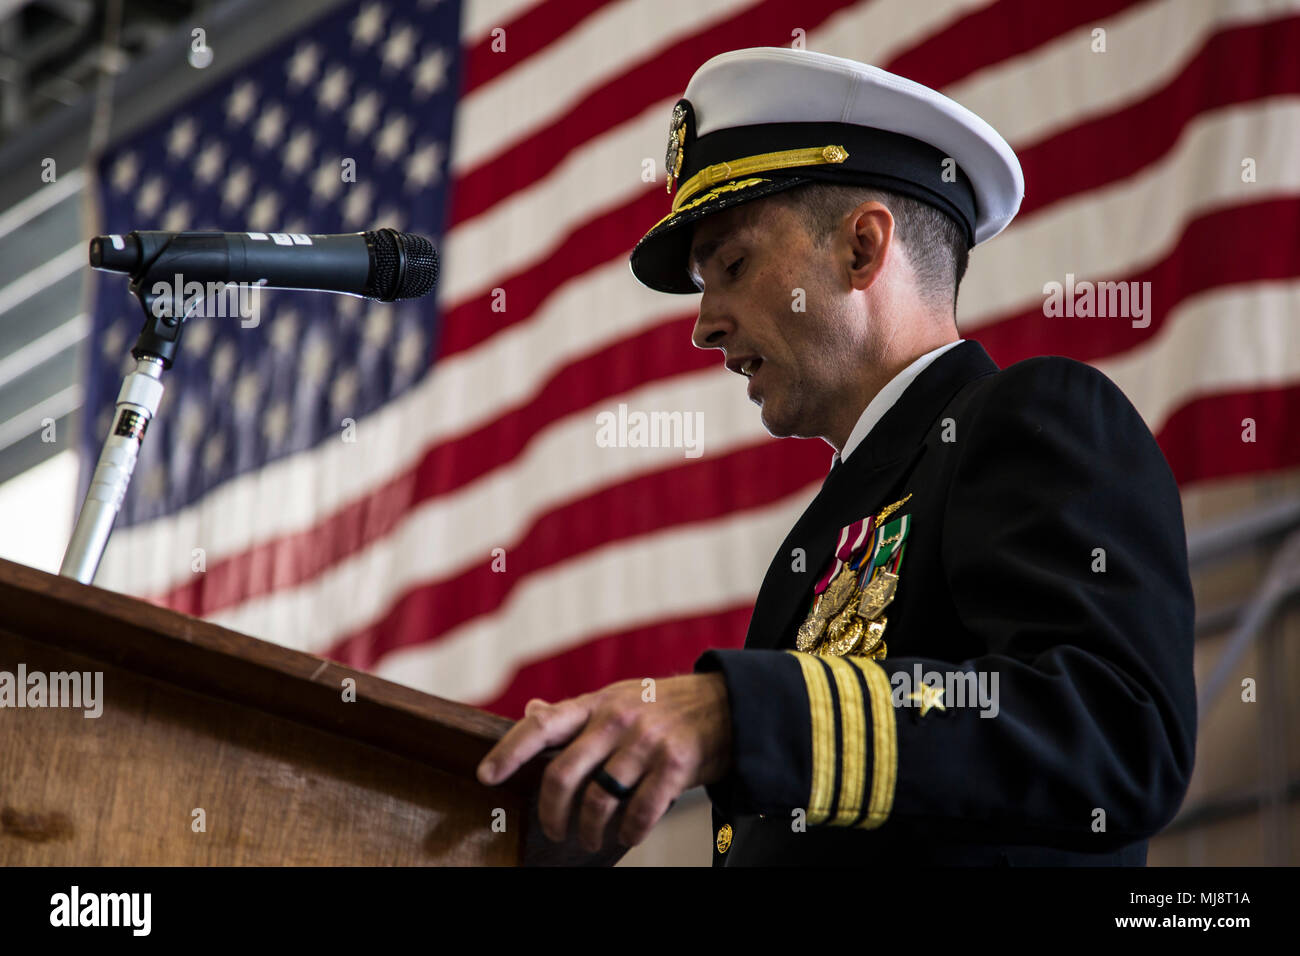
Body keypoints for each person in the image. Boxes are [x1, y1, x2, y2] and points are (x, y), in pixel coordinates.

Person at [476, 47, 1197, 866]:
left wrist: (740, 714)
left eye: (734, 266)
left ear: (861, 248)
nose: (704, 324)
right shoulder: (827, 532)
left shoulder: (1034, 415)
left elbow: (1118, 731)